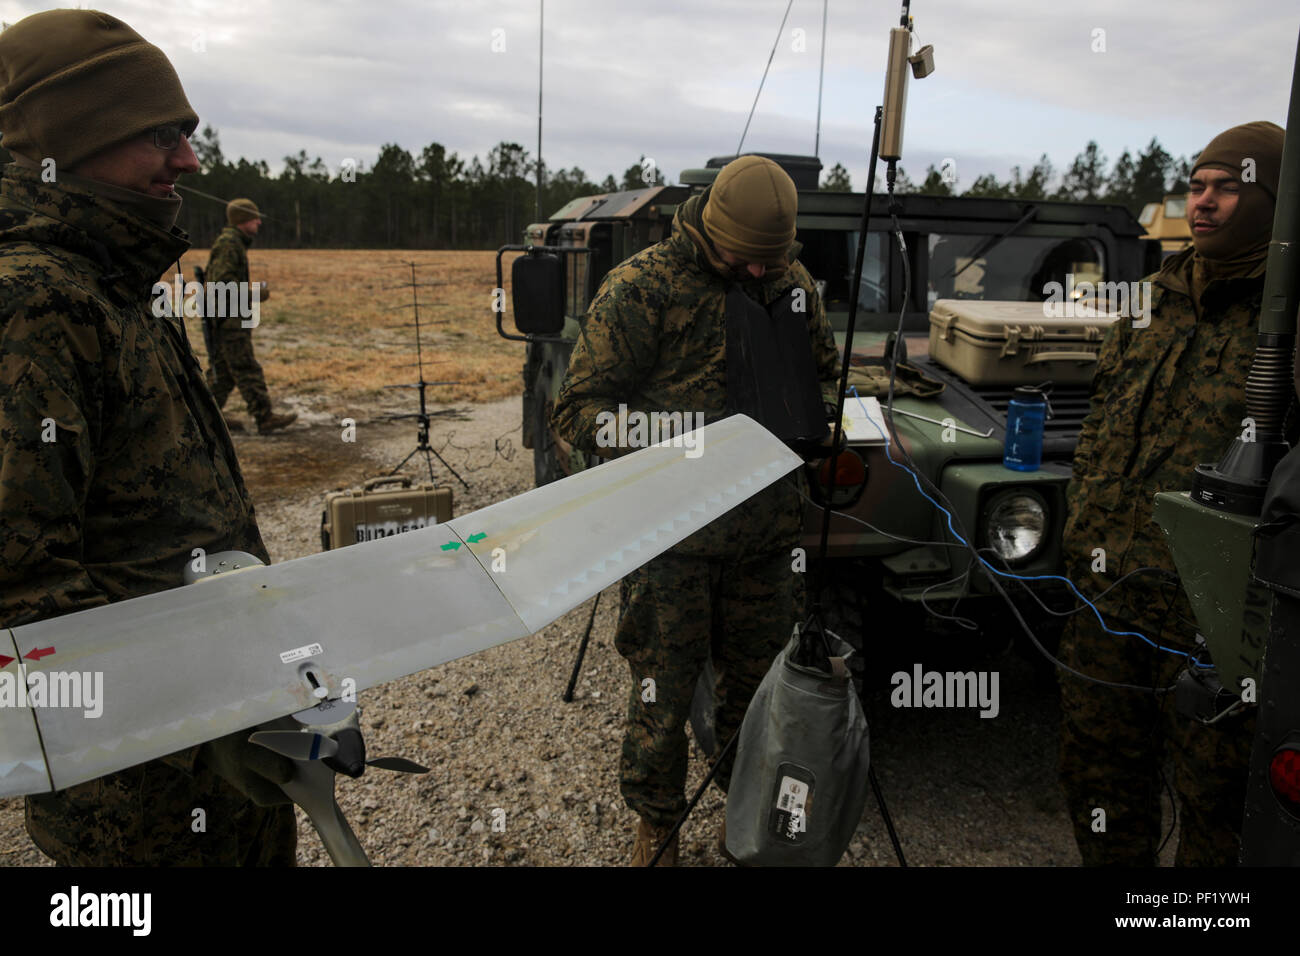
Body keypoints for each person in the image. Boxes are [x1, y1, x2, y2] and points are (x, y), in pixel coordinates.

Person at [0, 8, 297, 865]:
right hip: (146, 792)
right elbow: (24, 596)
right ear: (71, 139)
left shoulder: (113, 278)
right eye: (160, 134)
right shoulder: (34, 303)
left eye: (188, 133)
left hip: (216, 742)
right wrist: (191, 722)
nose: (190, 160)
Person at [552, 155, 839, 865]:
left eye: (770, 263)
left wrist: (822, 417)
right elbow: (578, 411)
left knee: (761, 695)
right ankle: (658, 825)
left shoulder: (789, 283)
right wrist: (672, 437)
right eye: (746, 260)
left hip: (766, 538)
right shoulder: (643, 288)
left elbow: (827, 374)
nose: (757, 275)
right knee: (663, 697)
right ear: (711, 231)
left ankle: (745, 823)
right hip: (671, 539)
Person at [1057, 121, 1286, 866]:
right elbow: (1103, 424)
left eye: (1229, 187)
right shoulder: (1150, 301)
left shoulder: (1283, 321)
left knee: (1216, 803)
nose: (1206, 202)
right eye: (1197, 186)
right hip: (1111, 592)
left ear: (1274, 202)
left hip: (1217, 616)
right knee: (1097, 777)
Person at [205, 197, 296, 434]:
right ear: (242, 220)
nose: (258, 223)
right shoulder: (229, 244)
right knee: (245, 367)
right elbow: (221, 285)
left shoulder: (233, 243)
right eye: (255, 218)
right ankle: (264, 417)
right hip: (228, 320)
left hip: (226, 318)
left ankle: (205, 417)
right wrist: (256, 293)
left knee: (223, 373)